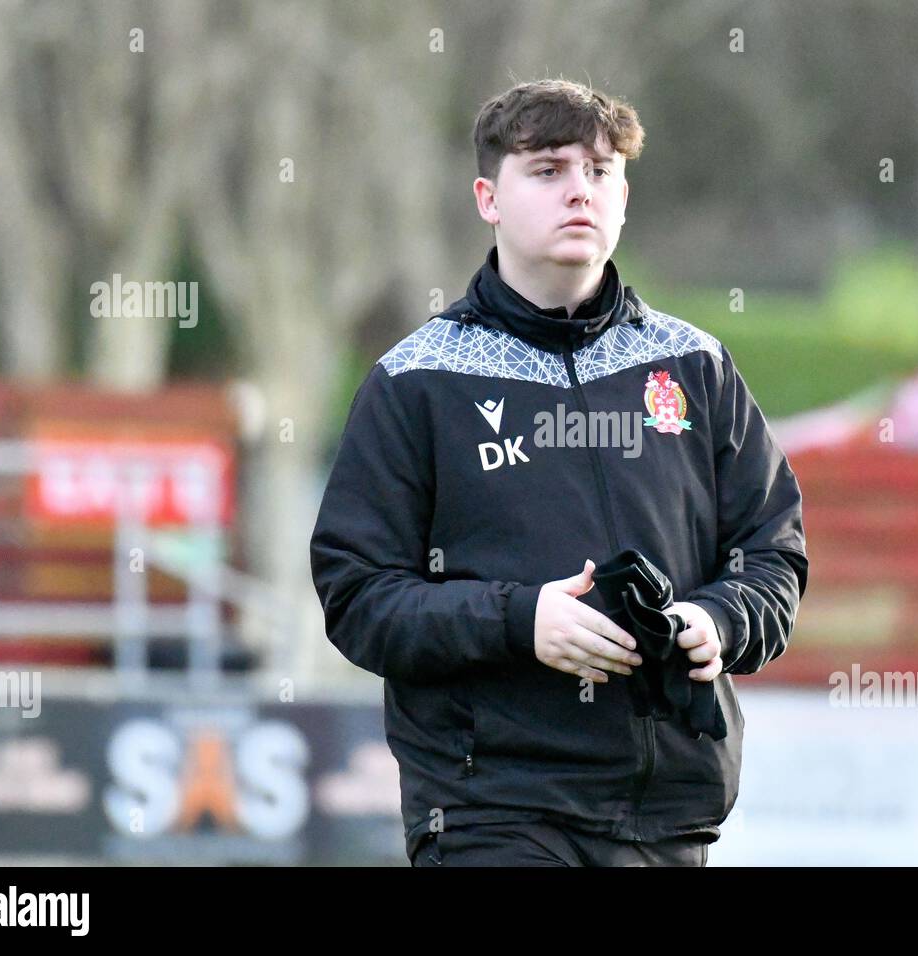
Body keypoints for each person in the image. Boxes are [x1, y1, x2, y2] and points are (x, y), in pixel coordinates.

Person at [310, 78, 808, 867]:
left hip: (669, 816)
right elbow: (359, 595)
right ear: (488, 198)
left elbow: (773, 552)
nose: (580, 190)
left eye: (600, 171)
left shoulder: (697, 369)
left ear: (624, 195)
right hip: (492, 812)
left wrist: (719, 619)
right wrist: (520, 622)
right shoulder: (415, 382)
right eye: (547, 170)